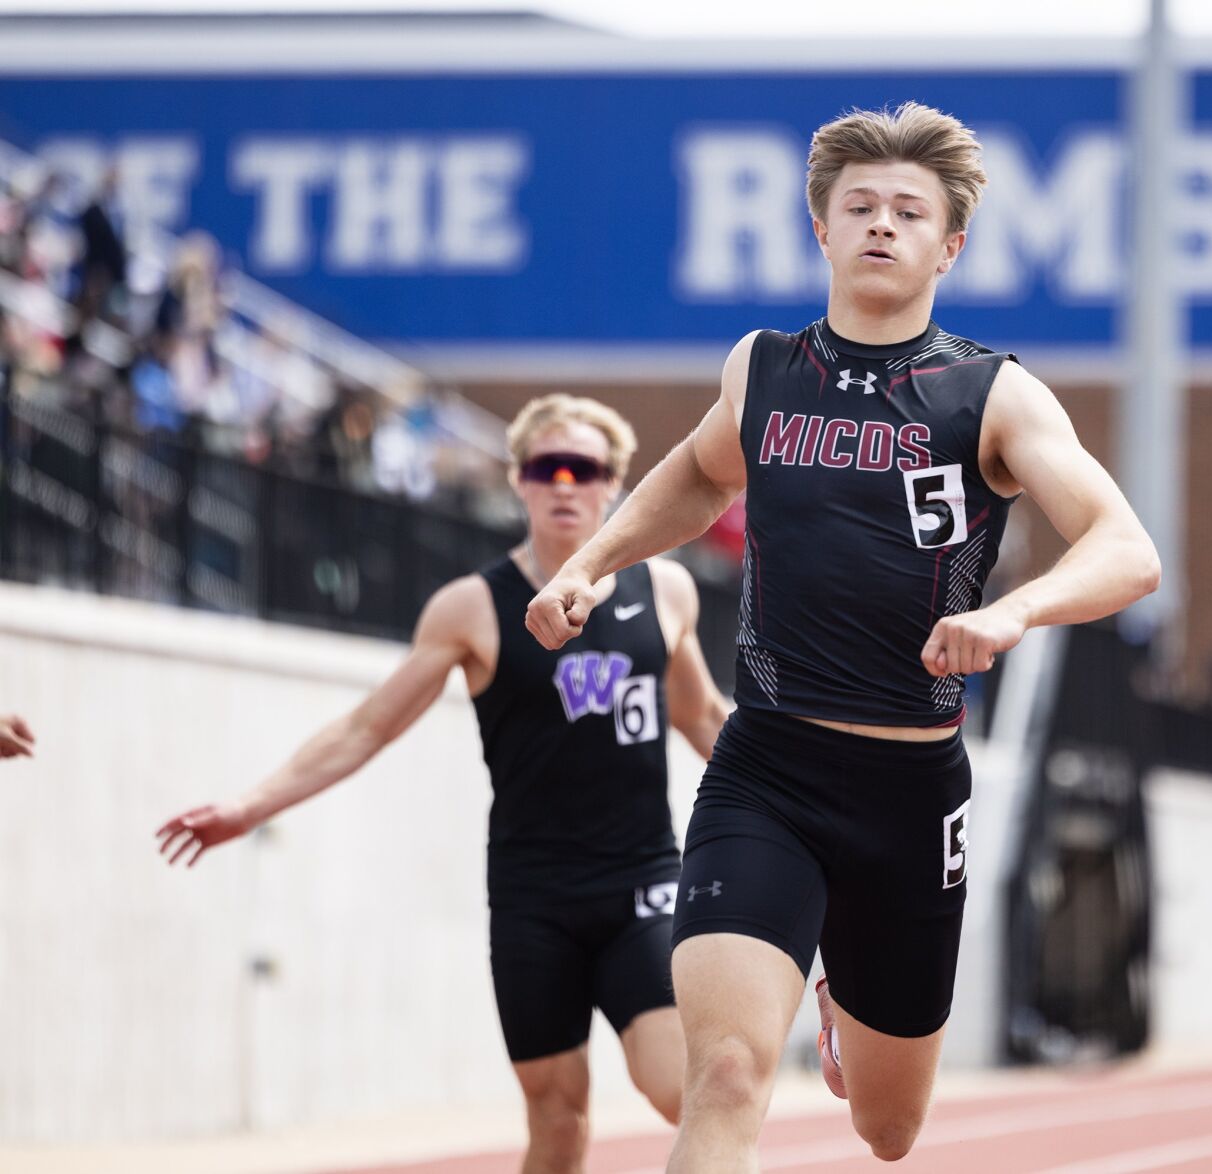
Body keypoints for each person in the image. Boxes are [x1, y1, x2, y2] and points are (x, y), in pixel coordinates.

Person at [525, 102, 1160, 1171]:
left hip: (910, 796)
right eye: (857, 205)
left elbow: (1126, 547)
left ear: (949, 244)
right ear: (819, 227)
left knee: (888, 1127)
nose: (880, 224)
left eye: (908, 211)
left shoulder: (991, 395)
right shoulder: (764, 369)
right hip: (765, 768)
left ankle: (840, 1003)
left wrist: (1012, 611)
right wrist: (593, 561)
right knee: (725, 1074)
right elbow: (694, 471)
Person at [155, 394, 728, 1174]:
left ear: (615, 483)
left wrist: (802, 804)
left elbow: (700, 718)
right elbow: (366, 728)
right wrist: (251, 806)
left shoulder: (665, 593)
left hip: (642, 887)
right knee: (559, 1125)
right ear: (517, 480)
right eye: (545, 467)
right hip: (534, 900)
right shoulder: (471, 608)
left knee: (682, 1091)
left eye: (584, 468)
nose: (564, 483)